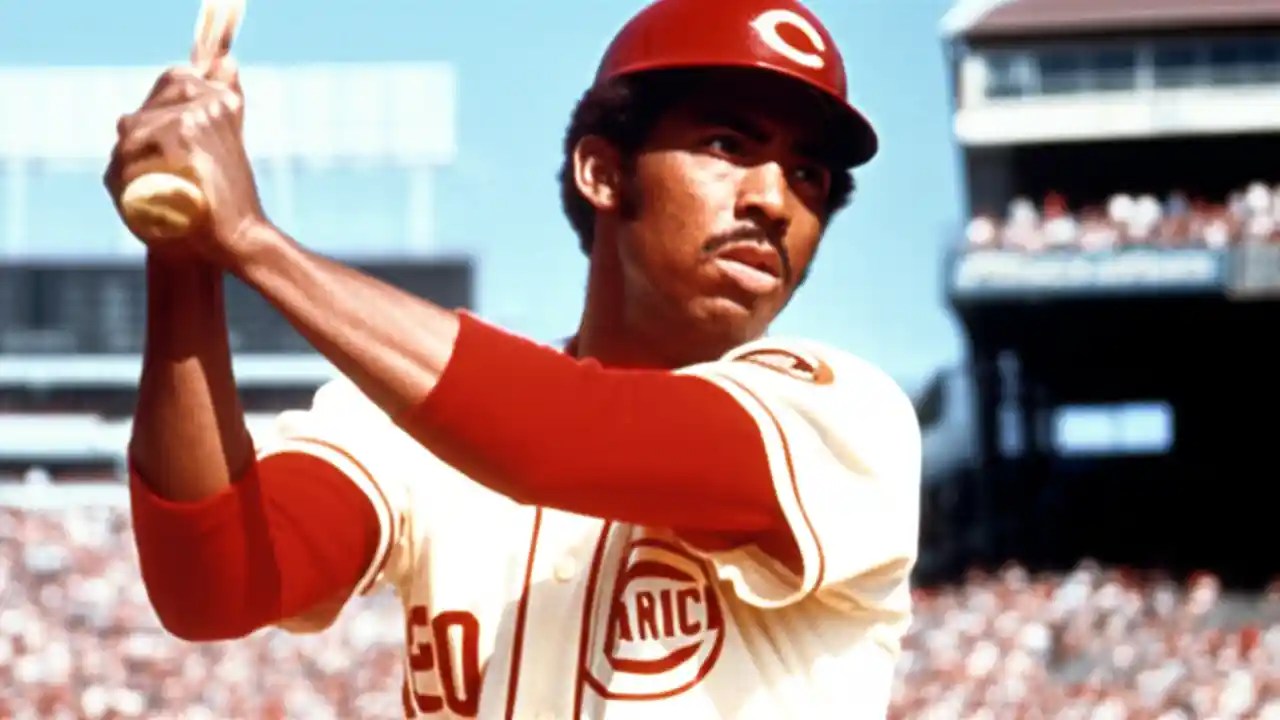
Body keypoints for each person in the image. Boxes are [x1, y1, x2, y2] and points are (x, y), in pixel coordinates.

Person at [103, 0, 922, 717]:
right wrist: (184, 251)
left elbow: (561, 437)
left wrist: (250, 241)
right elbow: (214, 585)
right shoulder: (413, 419)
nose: (774, 201)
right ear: (603, 172)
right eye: (727, 144)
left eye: (808, 174)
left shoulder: (844, 417)